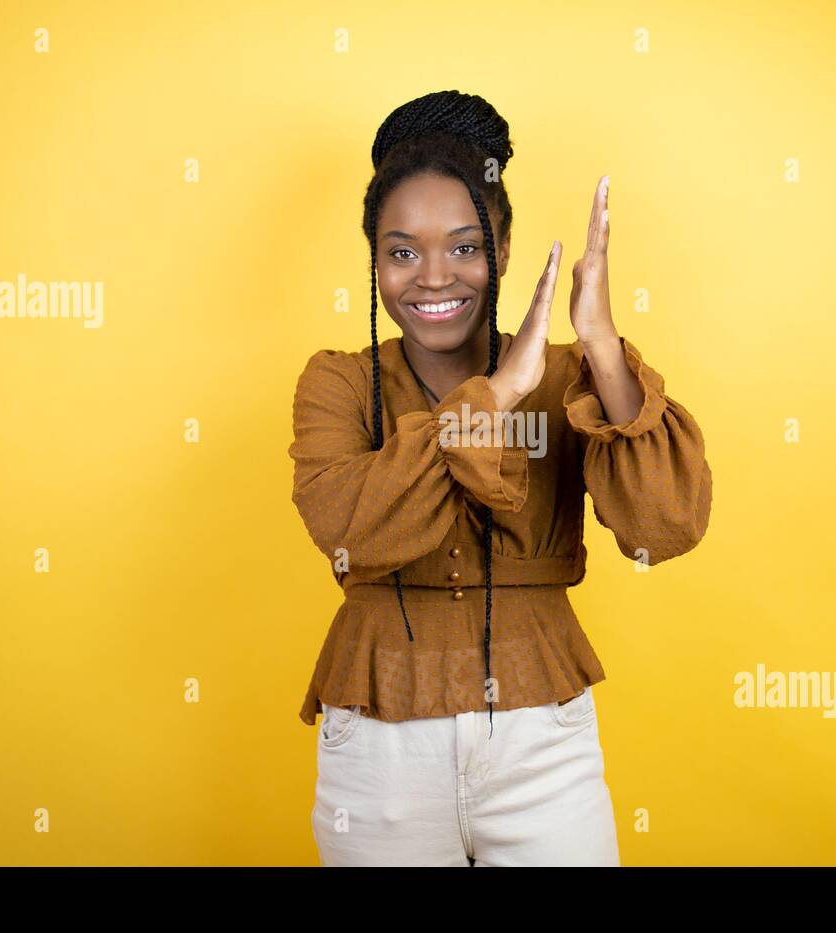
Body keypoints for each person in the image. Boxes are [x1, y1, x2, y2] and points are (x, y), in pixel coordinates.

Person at [288, 90, 713, 866]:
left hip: (540, 745)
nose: (432, 277)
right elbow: (348, 532)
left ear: (504, 248)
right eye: (402, 251)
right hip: (378, 747)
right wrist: (497, 394)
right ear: (376, 262)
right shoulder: (337, 384)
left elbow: (664, 530)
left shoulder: (571, 378)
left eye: (463, 246)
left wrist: (602, 345)